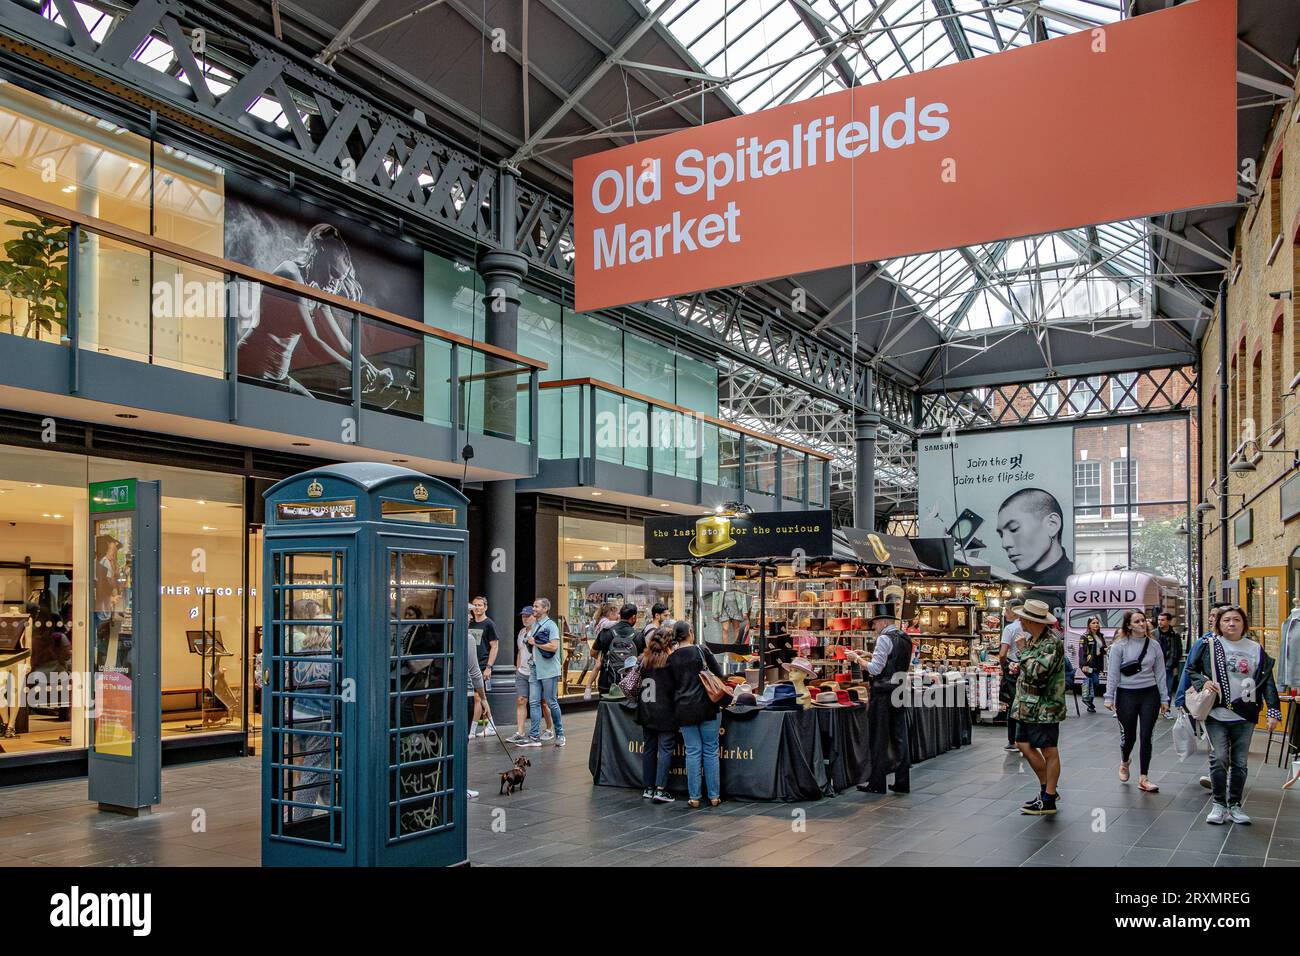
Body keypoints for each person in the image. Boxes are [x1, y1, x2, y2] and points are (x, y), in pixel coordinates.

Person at [236, 223, 393, 397]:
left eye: (339, 280)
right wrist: (355, 371)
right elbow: (313, 341)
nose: (335, 284)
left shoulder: (317, 292)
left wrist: (373, 370)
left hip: (278, 376)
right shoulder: (290, 274)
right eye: (333, 273)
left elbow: (342, 343)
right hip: (250, 368)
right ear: (318, 256)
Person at [1185, 605, 1282, 825]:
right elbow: (1191, 669)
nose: (1231, 623)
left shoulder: (1255, 648)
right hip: (1217, 712)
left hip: (1245, 714)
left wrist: (1273, 712)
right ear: (1219, 623)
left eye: (1236, 619)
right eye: (1226, 619)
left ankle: (1235, 805)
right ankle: (1219, 804)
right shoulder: (1209, 644)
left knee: (1239, 762)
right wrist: (1204, 682)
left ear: (1243, 623)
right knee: (1219, 758)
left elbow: (1267, 682)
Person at [848, 602, 913, 795]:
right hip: (899, 689)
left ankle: (877, 783)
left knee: (879, 739)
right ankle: (902, 782)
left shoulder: (884, 638)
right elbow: (892, 658)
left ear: (883, 621)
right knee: (900, 737)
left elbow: (876, 668)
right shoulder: (904, 637)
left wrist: (857, 659)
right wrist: (869, 654)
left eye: (874, 623)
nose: (873, 627)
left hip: (883, 693)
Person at [1010, 599, 1066, 815]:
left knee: (1049, 750)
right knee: (1022, 743)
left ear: (1029, 620)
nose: (1020, 620)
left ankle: (1049, 797)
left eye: (1023, 617)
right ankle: (1048, 790)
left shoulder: (1051, 642)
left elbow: (1038, 675)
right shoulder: (1035, 639)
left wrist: (1023, 652)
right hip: (1028, 706)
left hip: (1045, 707)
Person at [1103, 609, 1169, 793]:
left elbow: (1160, 673)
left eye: (1144, 620)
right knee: (1129, 736)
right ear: (1129, 625)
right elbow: (1113, 674)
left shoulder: (1154, 646)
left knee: (1146, 735)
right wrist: (1109, 696)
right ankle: (1125, 761)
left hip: (1150, 693)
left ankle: (1144, 778)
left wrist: (1165, 698)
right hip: (1126, 694)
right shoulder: (1119, 646)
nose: (1142, 624)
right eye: (1137, 621)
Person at [667, 620, 724, 808]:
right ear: (690, 632)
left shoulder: (672, 658)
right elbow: (719, 673)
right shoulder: (702, 651)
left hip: (684, 709)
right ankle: (714, 796)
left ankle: (694, 797)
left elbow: (670, 686)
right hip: (708, 707)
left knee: (692, 751)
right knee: (710, 750)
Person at [1175, 605, 1226, 792]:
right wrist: (1181, 698)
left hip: (1235, 703)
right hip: (1211, 698)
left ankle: (1223, 775)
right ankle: (1216, 776)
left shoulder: (1240, 643)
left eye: (1216, 616)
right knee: (1215, 741)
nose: (1212, 619)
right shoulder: (1204, 642)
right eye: (1211, 615)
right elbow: (1190, 669)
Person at [634, 625, 678, 804]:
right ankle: (660, 789)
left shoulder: (644, 660)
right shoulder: (670, 661)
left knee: (649, 749)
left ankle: (648, 788)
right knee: (665, 749)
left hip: (646, 710)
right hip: (665, 711)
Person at [995, 488, 1074, 587]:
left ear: (1052, 524)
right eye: (1001, 535)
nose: (1005, 544)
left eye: (1014, 529)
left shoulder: (1082, 581)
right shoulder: (1005, 587)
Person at [518, 597, 565, 748]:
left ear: (545, 609)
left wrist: (535, 643)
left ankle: (560, 734)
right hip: (535, 668)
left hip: (549, 670)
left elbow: (554, 647)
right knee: (533, 702)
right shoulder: (535, 624)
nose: (534, 608)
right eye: (533, 606)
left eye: (537, 606)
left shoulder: (551, 625)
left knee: (551, 702)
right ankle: (534, 736)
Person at [506, 607, 553, 744]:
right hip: (523, 671)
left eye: (528, 616)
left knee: (543, 702)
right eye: (523, 616)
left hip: (538, 671)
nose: (525, 619)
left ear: (535, 617)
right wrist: (518, 669)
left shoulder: (540, 631)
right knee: (521, 700)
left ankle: (549, 728)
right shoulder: (521, 632)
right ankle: (520, 732)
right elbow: (520, 651)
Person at [586, 603, 646, 697]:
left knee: (607, 709)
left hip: (607, 682)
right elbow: (644, 659)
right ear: (634, 617)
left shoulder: (606, 633)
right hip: (630, 684)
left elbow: (593, 652)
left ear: (620, 615)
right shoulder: (638, 636)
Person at [468, 596, 499, 738]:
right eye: (475, 605)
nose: (477, 607)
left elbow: (494, 646)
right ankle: (491, 724)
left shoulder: (489, 624)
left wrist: (489, 667)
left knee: (478, 697)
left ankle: (472, 730)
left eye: (480, 605)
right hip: (470, 664)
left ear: (485, 607)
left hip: (482, 664)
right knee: (481, 697)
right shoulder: (470, 622)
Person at [999, 600, 1024, 751]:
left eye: (1006, 610)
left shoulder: (1010, 628)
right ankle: (1025, 739)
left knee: (1013, 704)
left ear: (1014, 611)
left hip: (1013, 669)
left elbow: (1002, 654)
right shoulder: (1030, 627)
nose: (1005, 613)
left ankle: (1013, 741)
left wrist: (1005, 667)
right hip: (1027, 669)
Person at [1155, 611, 1183, 719]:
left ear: (1169, 621)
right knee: (1154, 688)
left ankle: (1166, 709)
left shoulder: (1175, 635)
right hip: (1154, 666)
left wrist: (1175, 665)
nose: (1160, 622)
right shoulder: (1153, 633)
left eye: (1162, 620)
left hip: (1168, 666)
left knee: (1167, 688)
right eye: (1159, 620)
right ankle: (1155, 708)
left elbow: (1178, 651)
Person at [1079, 615, 1107, 713]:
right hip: (1089, 664)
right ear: (1089, 625)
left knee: (1093, 682)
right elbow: (1082, 652)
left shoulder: (1100, 636)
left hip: (1097, 664)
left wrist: (1106, 650)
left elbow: (1103, 649)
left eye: (1097, 623)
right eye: (1093, 623)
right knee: (1094, 681)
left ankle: (1088, 702)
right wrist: (1083, 665)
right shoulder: (1085, 636)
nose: (1096, 625)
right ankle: (1087, 700)